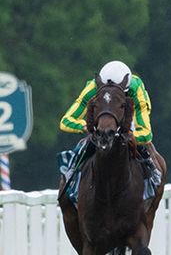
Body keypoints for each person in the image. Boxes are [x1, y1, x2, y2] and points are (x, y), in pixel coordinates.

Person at [57, 60, 162, 199]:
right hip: (100, 125)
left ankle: (152, 175)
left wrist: (129, 136)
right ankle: (71, 175)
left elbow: (146, 134)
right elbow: (65, 121)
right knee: (84, 146)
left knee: (143, 148)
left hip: (127, 123)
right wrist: (86, 126)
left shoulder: (136, 89)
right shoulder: (93, 88)